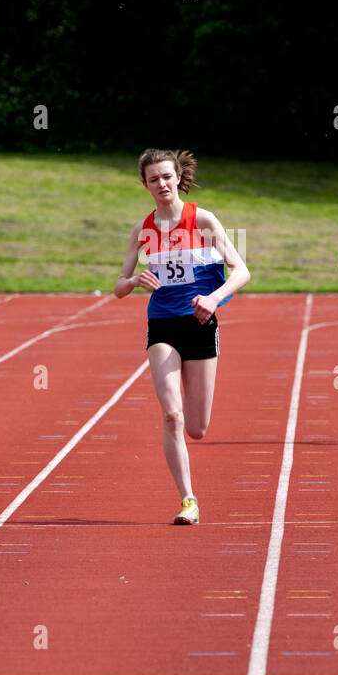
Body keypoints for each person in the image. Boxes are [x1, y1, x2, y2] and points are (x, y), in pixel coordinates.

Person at [114, 149, 250, 525]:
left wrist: (213, 298)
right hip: (163, 326)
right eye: (154, 179)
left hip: (201, 324)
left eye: (167, 177)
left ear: (178, 178)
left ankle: (190, 472)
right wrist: (134, 280)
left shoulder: (203, 220)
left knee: (197, 427)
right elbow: (117, 287)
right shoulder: (143, 230)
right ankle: (188, 499)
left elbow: (241, 271)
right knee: (172, 415)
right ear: (145, 185)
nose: (162, 184)